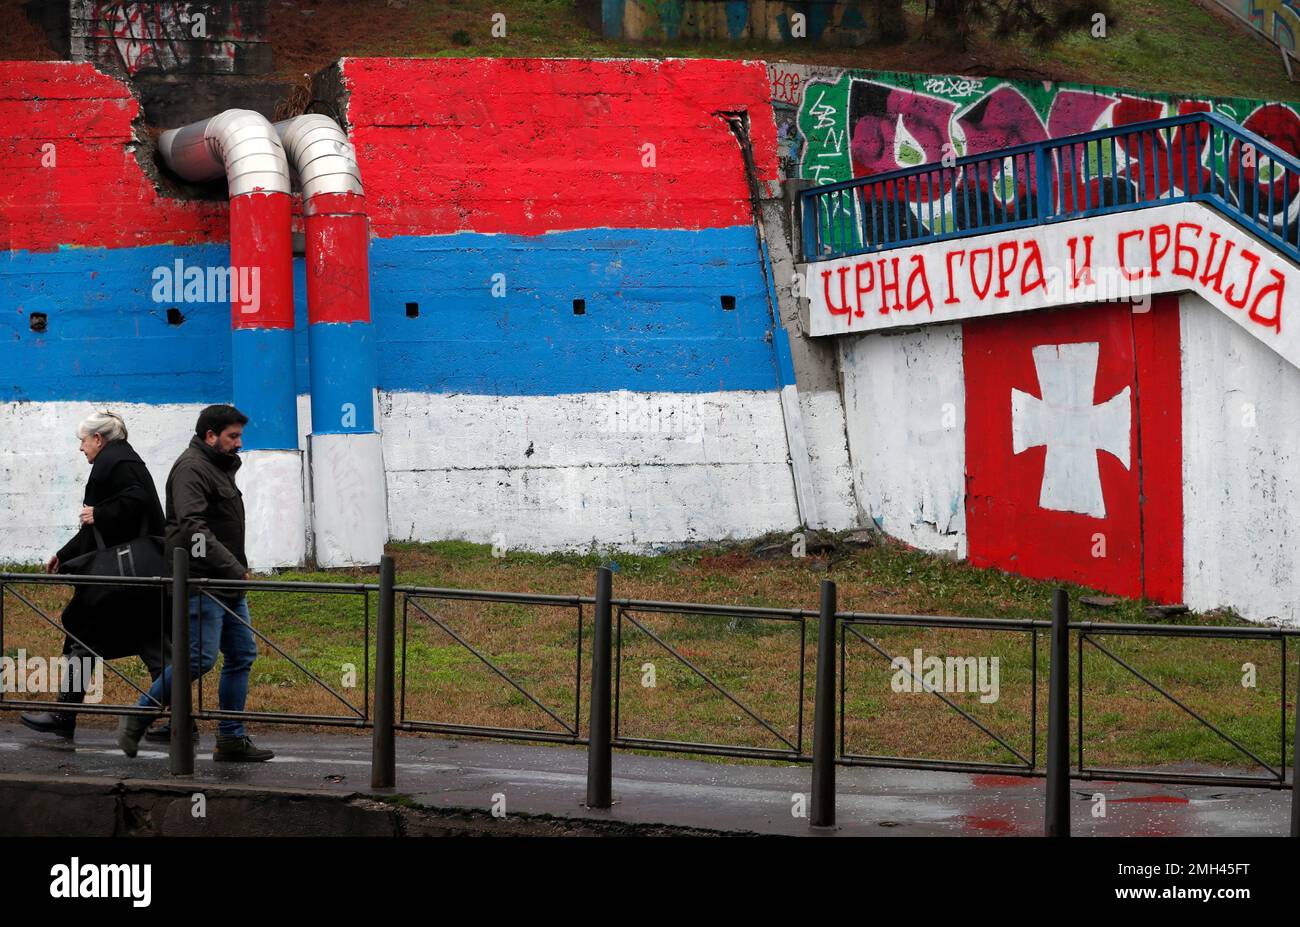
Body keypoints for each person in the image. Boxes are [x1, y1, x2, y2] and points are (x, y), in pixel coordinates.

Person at [117, 404, 273, 762]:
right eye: (233, 436)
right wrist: (232, 567)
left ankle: (231, 738)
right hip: (202, 582)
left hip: (226, 582)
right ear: (210, 436)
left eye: (239, 436)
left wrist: (233, 571)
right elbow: (191, 528)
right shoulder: (192, 468)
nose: (239, 443)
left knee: (242, 654)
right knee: (200, 657)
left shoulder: (215, 467)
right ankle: (139, 715)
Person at [21, 412, 169, 739]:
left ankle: (64, 717)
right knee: (151, 645)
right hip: (135, 578)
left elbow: (132, 503)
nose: (81, 448)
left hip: (121, 580)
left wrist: (99, 512)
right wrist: (65, 554)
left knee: (85, 638)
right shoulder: (125, 460)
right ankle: (181, 720)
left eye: (83, 441)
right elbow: (103, 526)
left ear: (99, 439)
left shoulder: (113, 462)